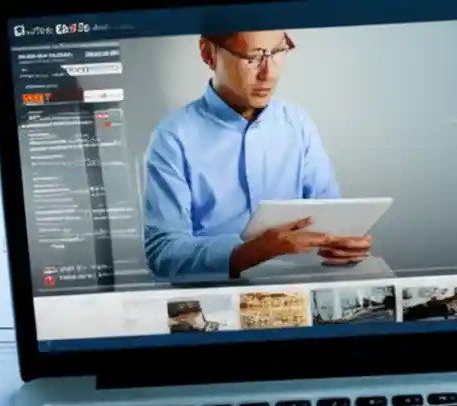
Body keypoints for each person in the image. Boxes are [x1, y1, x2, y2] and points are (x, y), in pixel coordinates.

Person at [142, 30, 373, 280]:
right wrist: (249, 252)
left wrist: (344, 244)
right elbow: (163, 253)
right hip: (217, 302)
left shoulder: (297, 123)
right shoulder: (172, 137)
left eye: (276, 52)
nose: (268, 73)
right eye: (253, 57)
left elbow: (332, 220)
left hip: (299, 289)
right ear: (209, 54)